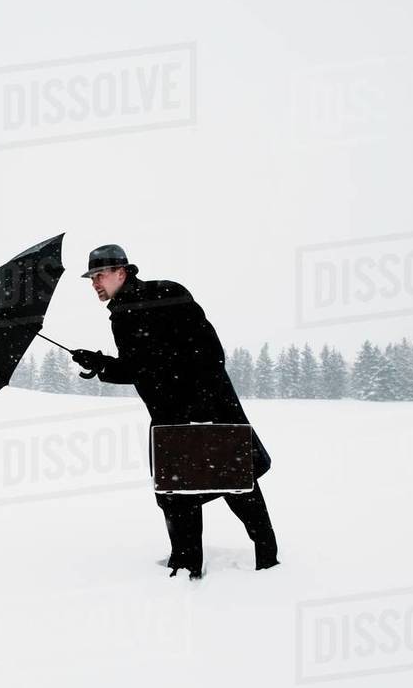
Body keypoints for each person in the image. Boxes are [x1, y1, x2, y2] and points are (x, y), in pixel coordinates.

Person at [70, 244, 279, 580]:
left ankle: (268, 561)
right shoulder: (120, 316)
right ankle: (185, 566)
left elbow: (208, 350)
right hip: (169, 415)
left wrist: (192, 398)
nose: (95, 282)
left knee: (237, 484)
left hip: (207, 407)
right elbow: (138, 369)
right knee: (176, 494)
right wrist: (101, 363)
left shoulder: (167, 292)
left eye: (100, 274)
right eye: (91, 277)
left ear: (122, 272)